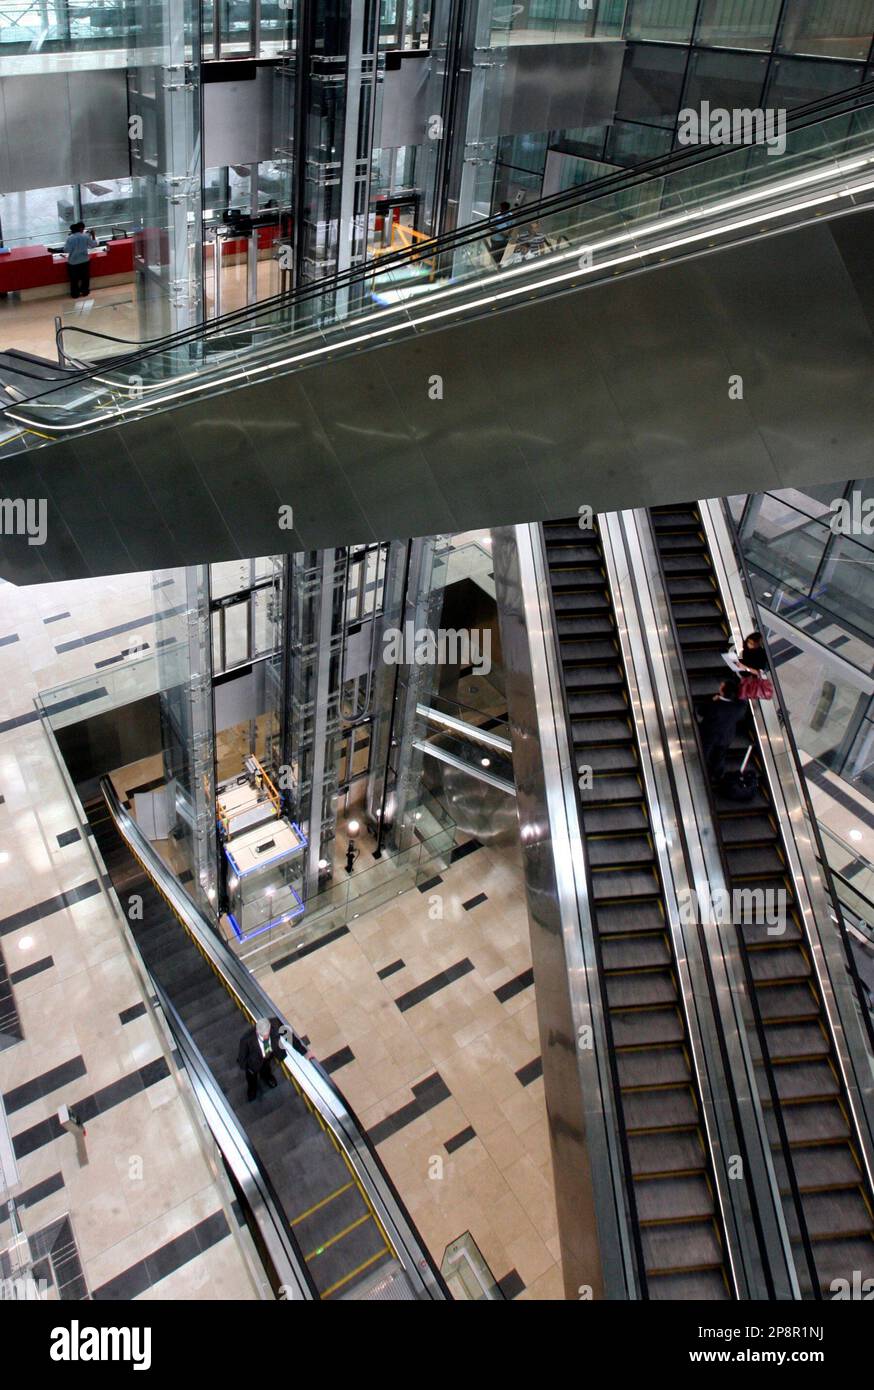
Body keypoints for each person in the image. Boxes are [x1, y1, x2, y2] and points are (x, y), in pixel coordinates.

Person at [237, 1015, 305, 1102]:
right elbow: (242, 1057)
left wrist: (304, 1052)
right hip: (253, 1063)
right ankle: (252, 1089)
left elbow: (290, 1036)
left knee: (266, 1067)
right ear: (257, 1032)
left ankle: (266, 1076)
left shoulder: (276, 1025)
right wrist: (247, 1066)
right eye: (263, 1035)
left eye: (267, 1033)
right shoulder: (246, 1039)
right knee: (251, 1077)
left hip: (268, 1056)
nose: (266, 1038)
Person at [699, 676, 748, 784]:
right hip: (727, 736)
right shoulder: (740, 707)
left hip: (710, 736)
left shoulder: (716, 706)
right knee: (720, 756)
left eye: (721, 686)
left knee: (705, 753)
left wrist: (712, 700)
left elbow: (701, 711)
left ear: (722, 692)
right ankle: (718, 775)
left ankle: (702, 771)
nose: (719, 686)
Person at [62, 222, 98, 299]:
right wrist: (93, 235)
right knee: (85, 278)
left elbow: (66, 250)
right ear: (80, 229)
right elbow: (93, 245)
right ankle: (85, 292)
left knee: (74, 279)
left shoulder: (70, 238)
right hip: (85, 261)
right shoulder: (85, 236)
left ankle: (75, 294)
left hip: (73, 262)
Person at [489, 201, 513, 266]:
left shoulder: (511, 216)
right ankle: (494, 266)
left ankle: (498, 266)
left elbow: (512, 226)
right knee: (494, 255)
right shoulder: (496, 216)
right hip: (496, 239)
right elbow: (491, 227)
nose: (502, 209)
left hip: (505, 240)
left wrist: (508, 234)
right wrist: (500, 232)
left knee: (501, 254)